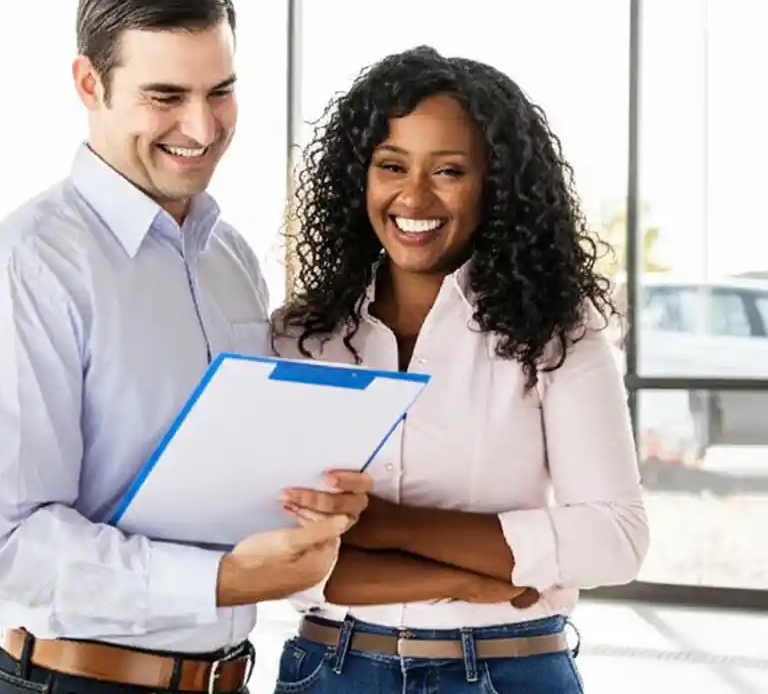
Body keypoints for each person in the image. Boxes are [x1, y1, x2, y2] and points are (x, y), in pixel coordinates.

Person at [0, 0, 372, 692]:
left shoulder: (228, 256)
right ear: (89, 82)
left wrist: (314, 505)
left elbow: (228, 471)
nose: (201, 129)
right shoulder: (27, 267)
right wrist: (223, 579)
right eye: (165, 97)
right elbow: (13, 549)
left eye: (220, 91)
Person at [270, 46, 650, 694]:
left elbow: (614, 537)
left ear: (494, 186)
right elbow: (285, 558)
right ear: (358, 178)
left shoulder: (557, 332)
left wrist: (384, 525)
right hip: (330, 672)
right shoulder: (299, 338)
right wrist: (476, 576)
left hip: (508, 673)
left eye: (449, 170)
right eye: (392, 165)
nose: (413, 196)